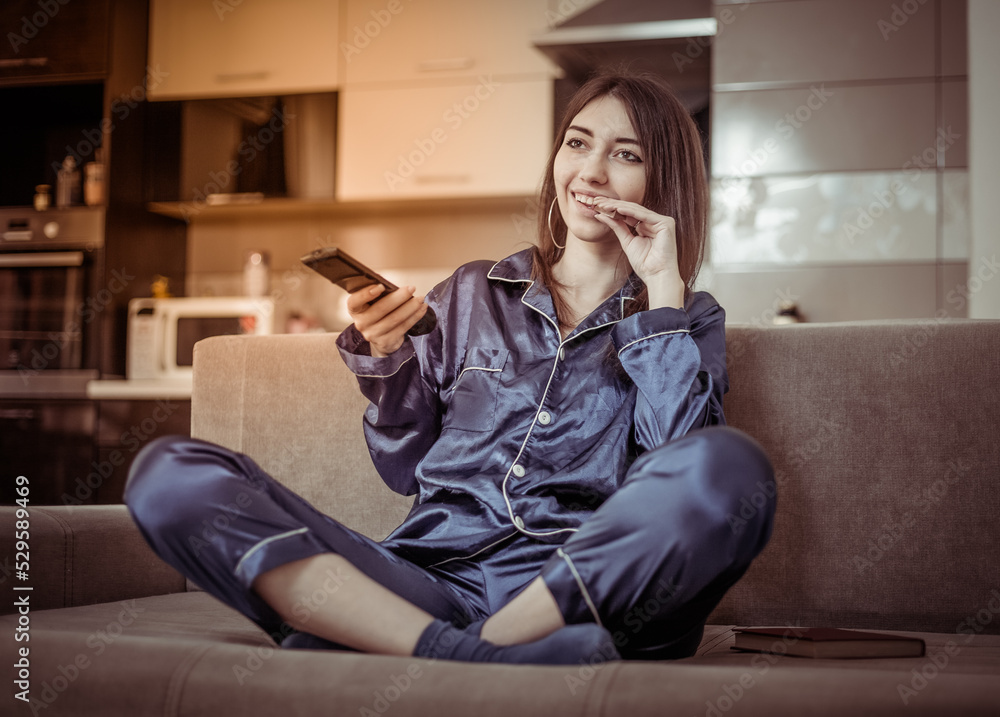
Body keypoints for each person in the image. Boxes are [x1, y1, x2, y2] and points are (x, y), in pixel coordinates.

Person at [125, 72, 776, 666]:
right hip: (428, 583)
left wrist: (663, 288)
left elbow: (682, 475)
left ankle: (448, 648)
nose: (592, 172)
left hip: (583, 599)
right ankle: (466, 653)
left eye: (625, 154)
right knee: (168, 475)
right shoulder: (470, 293)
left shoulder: (688, 318)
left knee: (731, 463)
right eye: (577, 143)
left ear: (663, 182)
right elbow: (404, 466)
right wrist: (386, 358)